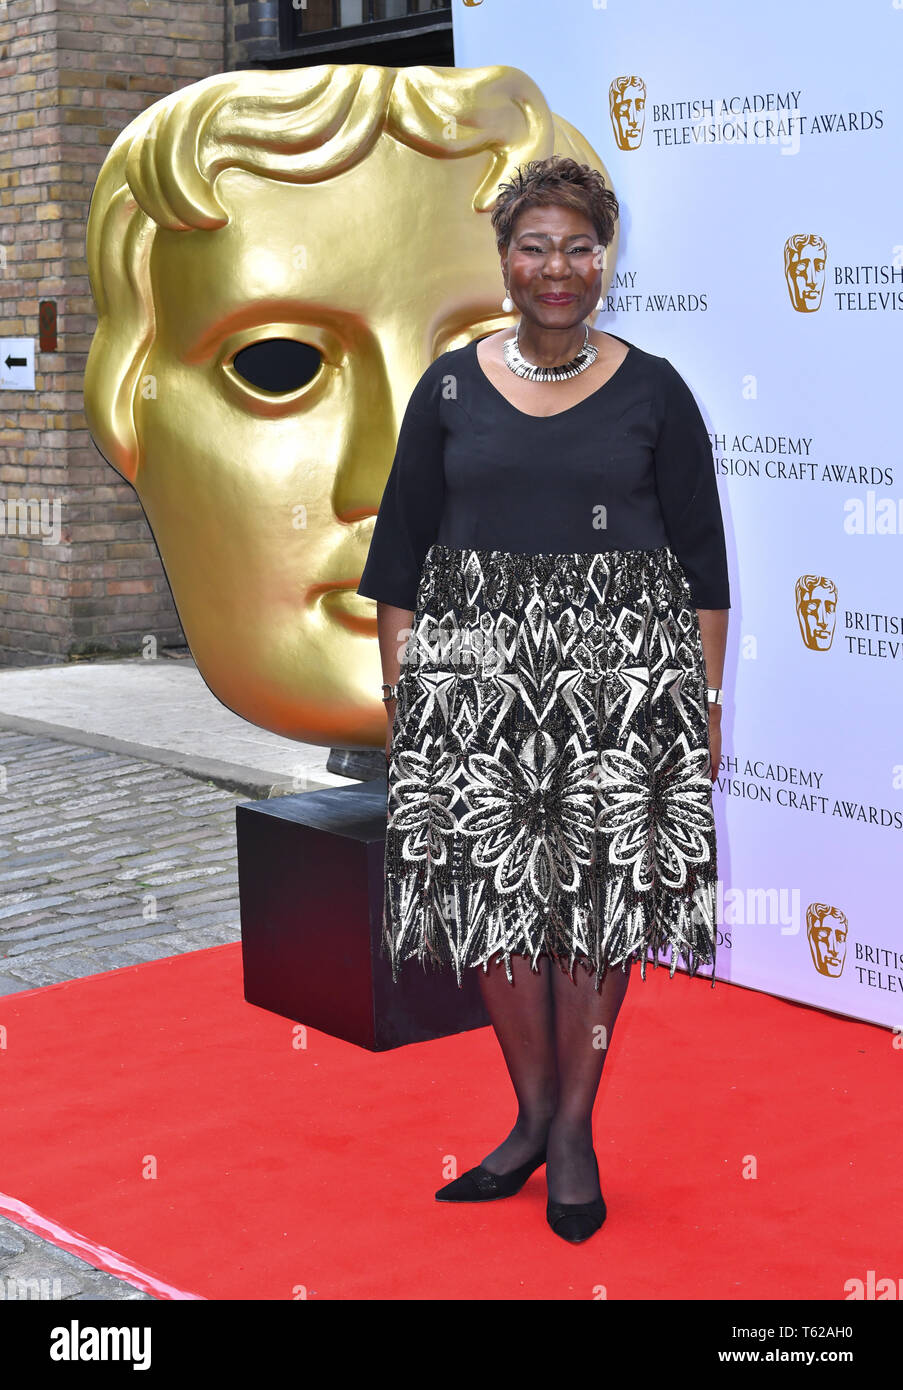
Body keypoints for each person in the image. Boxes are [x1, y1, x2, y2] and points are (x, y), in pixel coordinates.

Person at [356, 155, 730, 1243]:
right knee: (500, 908)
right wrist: (404, 689)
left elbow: (702, 566)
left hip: (622, 684)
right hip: (473, 682)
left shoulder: (655, 388)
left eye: (578, 246)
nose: (557, 267)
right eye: (535, 246)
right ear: (505, 259)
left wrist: (703, 702)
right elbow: (399, 553)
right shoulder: (452, 386)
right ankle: (529, 1113)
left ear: (602, 257)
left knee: (599, 909)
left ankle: (572, 1128)